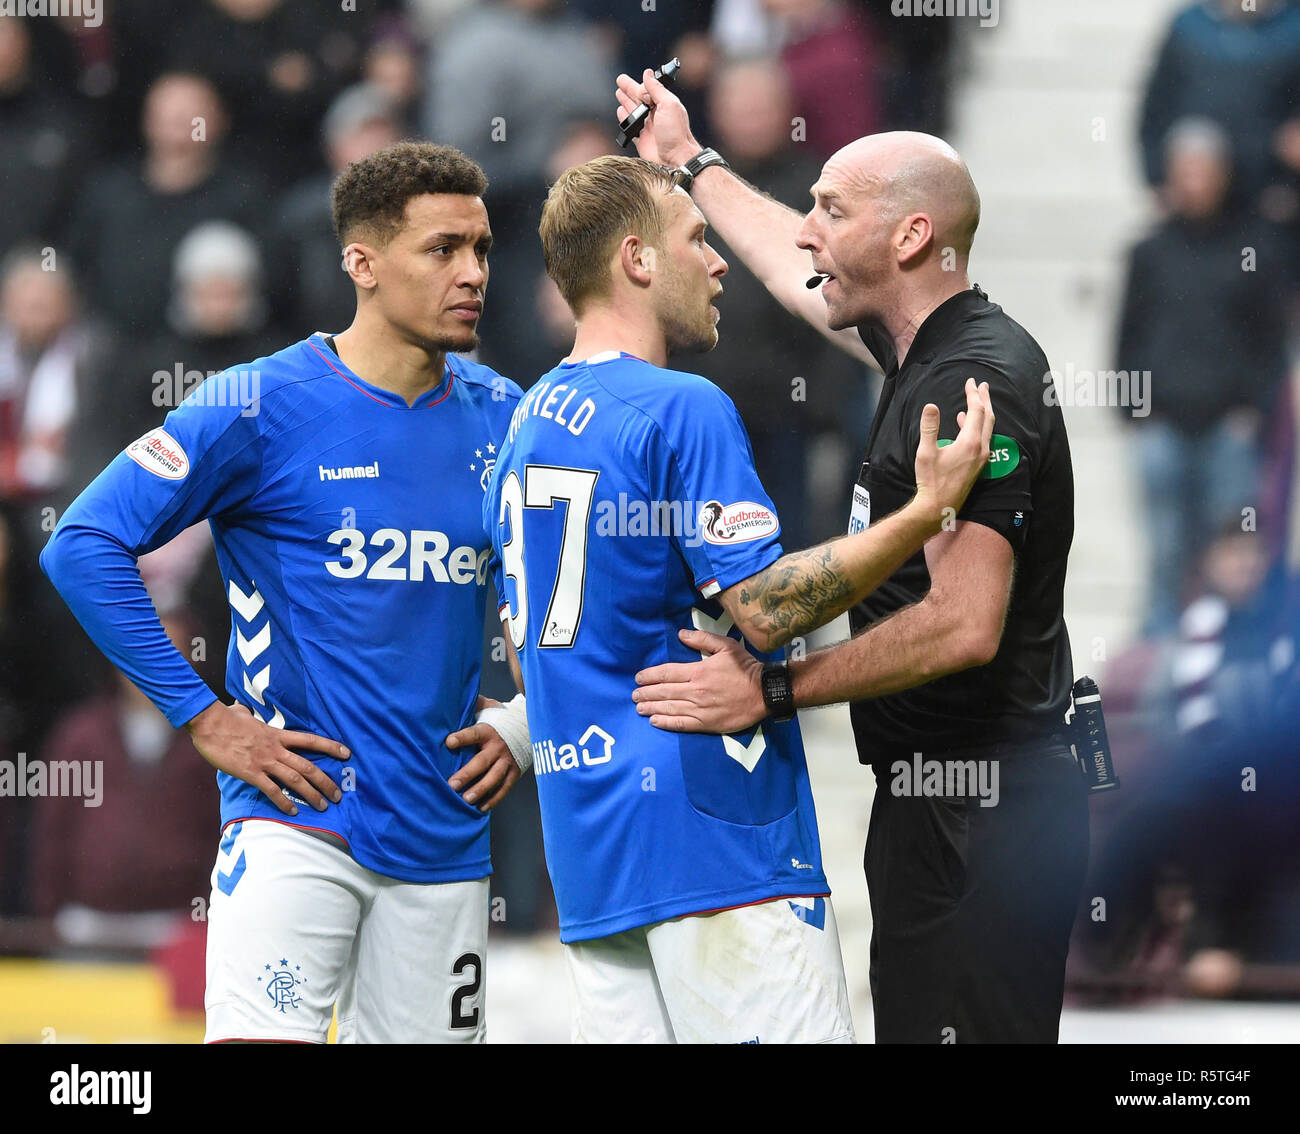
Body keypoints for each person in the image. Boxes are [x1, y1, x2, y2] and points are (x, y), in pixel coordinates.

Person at [619, 69, 1088, 1043]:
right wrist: (691, 162)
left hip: (980, 813)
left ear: (910, 235)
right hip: (945, 801)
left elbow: (963, 624)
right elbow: (800, 284)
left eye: (829, 210)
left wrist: (777, 686)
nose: (805, 229)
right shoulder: (932, 347)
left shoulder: (974, 385)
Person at [484, 153, 992, 1043]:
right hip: (717, 838)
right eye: (696, 241)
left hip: (593, 857)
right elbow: (765, 608)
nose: (717, 263)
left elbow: (543, 640)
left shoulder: (525, 421)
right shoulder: (682, 407)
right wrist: (924, 513)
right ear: (638, 260)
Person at [41, 141, 531, 1044]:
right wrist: (203, 715)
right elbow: (81, 544)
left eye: (483, 249)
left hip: (448, 838)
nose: (472, 273)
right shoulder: (257, 405)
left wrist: (525, 722)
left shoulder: (510, 416)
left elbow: (584, 598)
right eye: (442, 249)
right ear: (362, 264)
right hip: (295, 825)